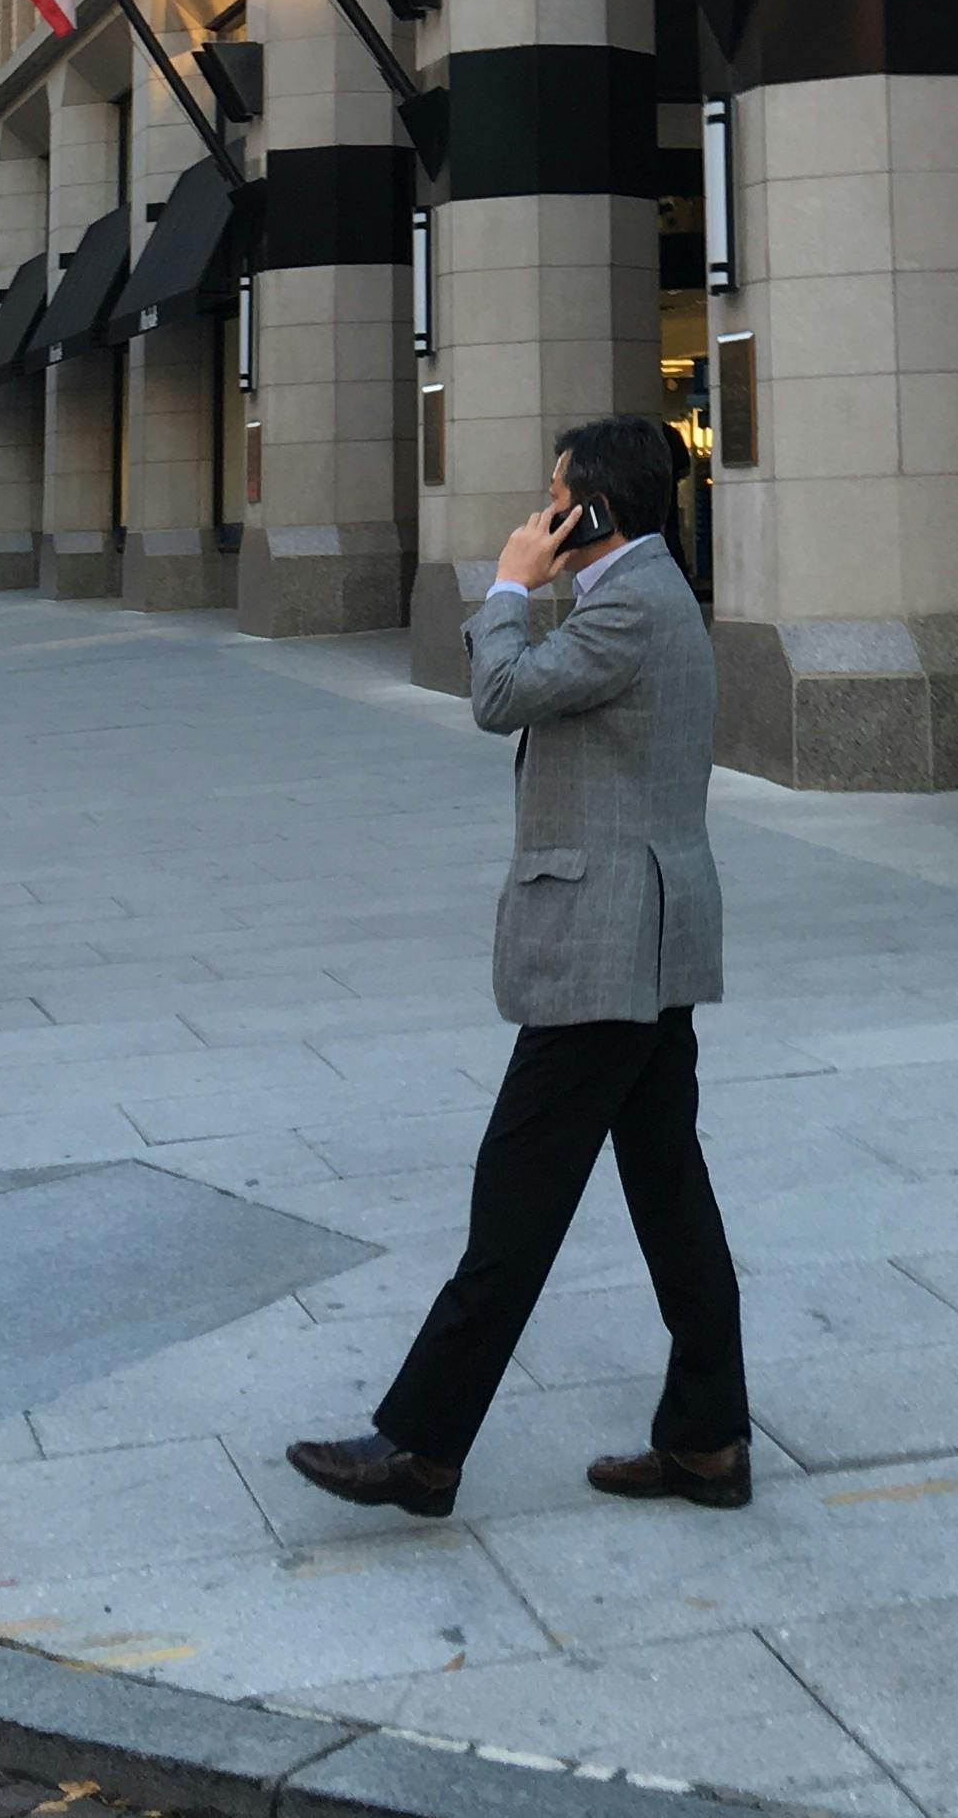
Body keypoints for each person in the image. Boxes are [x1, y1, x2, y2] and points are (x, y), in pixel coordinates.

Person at [287, 415, 745, 1522]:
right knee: (671, 1197)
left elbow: (500, 698)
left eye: (554, 492)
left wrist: (504, 587)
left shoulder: (631, 602)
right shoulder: (644, 594)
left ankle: (420, 1448)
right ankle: (707, 1440)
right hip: (649, 938)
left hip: (607, 947)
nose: (538, 508)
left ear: (595, 508)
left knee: (516, 1206)